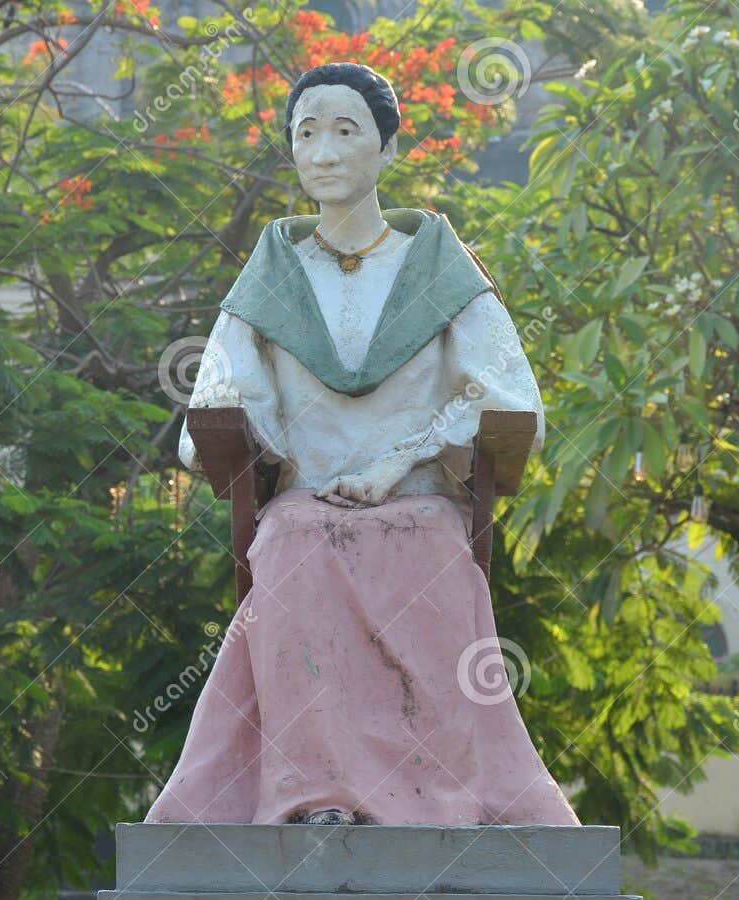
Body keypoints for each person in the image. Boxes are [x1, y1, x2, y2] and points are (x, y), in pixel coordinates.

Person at [145, 60, 578, 829]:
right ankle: (311, 796)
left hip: (419, 501)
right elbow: (209, 416)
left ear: (386, 148)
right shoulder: (269, 277)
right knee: (289, 542)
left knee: (425, 545)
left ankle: (432, 795)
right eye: (306, 132)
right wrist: (271, 448)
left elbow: (511, 401)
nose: (325, 151)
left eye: (347, 131)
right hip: (303, 505)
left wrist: (400, 461)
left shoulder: (441, 273)